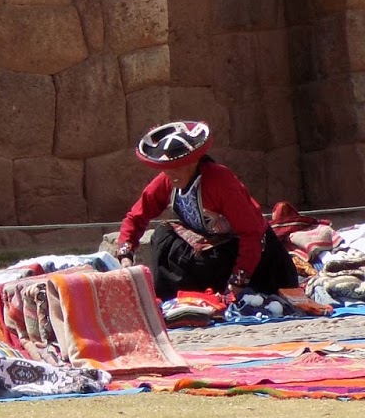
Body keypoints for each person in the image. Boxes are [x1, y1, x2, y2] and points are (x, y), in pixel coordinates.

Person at [116, 120, 298, 302]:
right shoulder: (167, 181)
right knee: (163, 235)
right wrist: (126, 253)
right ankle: (172, 296)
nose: (170, 173)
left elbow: (252, 233)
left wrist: (239, 280)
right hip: (214, 252)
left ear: (193, 161)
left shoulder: (220, 181)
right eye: (166, 168)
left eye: (177, 166)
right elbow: (136, 216)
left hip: (254, 257)